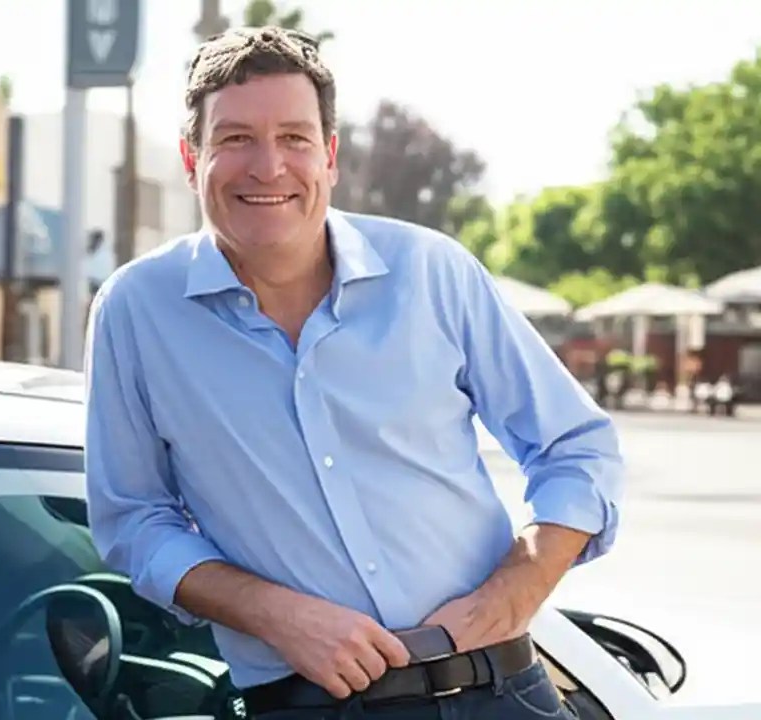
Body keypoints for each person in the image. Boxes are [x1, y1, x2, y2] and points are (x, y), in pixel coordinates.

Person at [83, 26, 624, 720]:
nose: (268, 167)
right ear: (193, 159)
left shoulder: (431, 271)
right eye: (236, 138)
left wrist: (515, 591)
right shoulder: (137, 310)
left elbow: (576, 447)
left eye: (294, 138)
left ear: (330, 156)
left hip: (500, 693)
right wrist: (274, 614)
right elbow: (133, 519)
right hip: (307, 705)